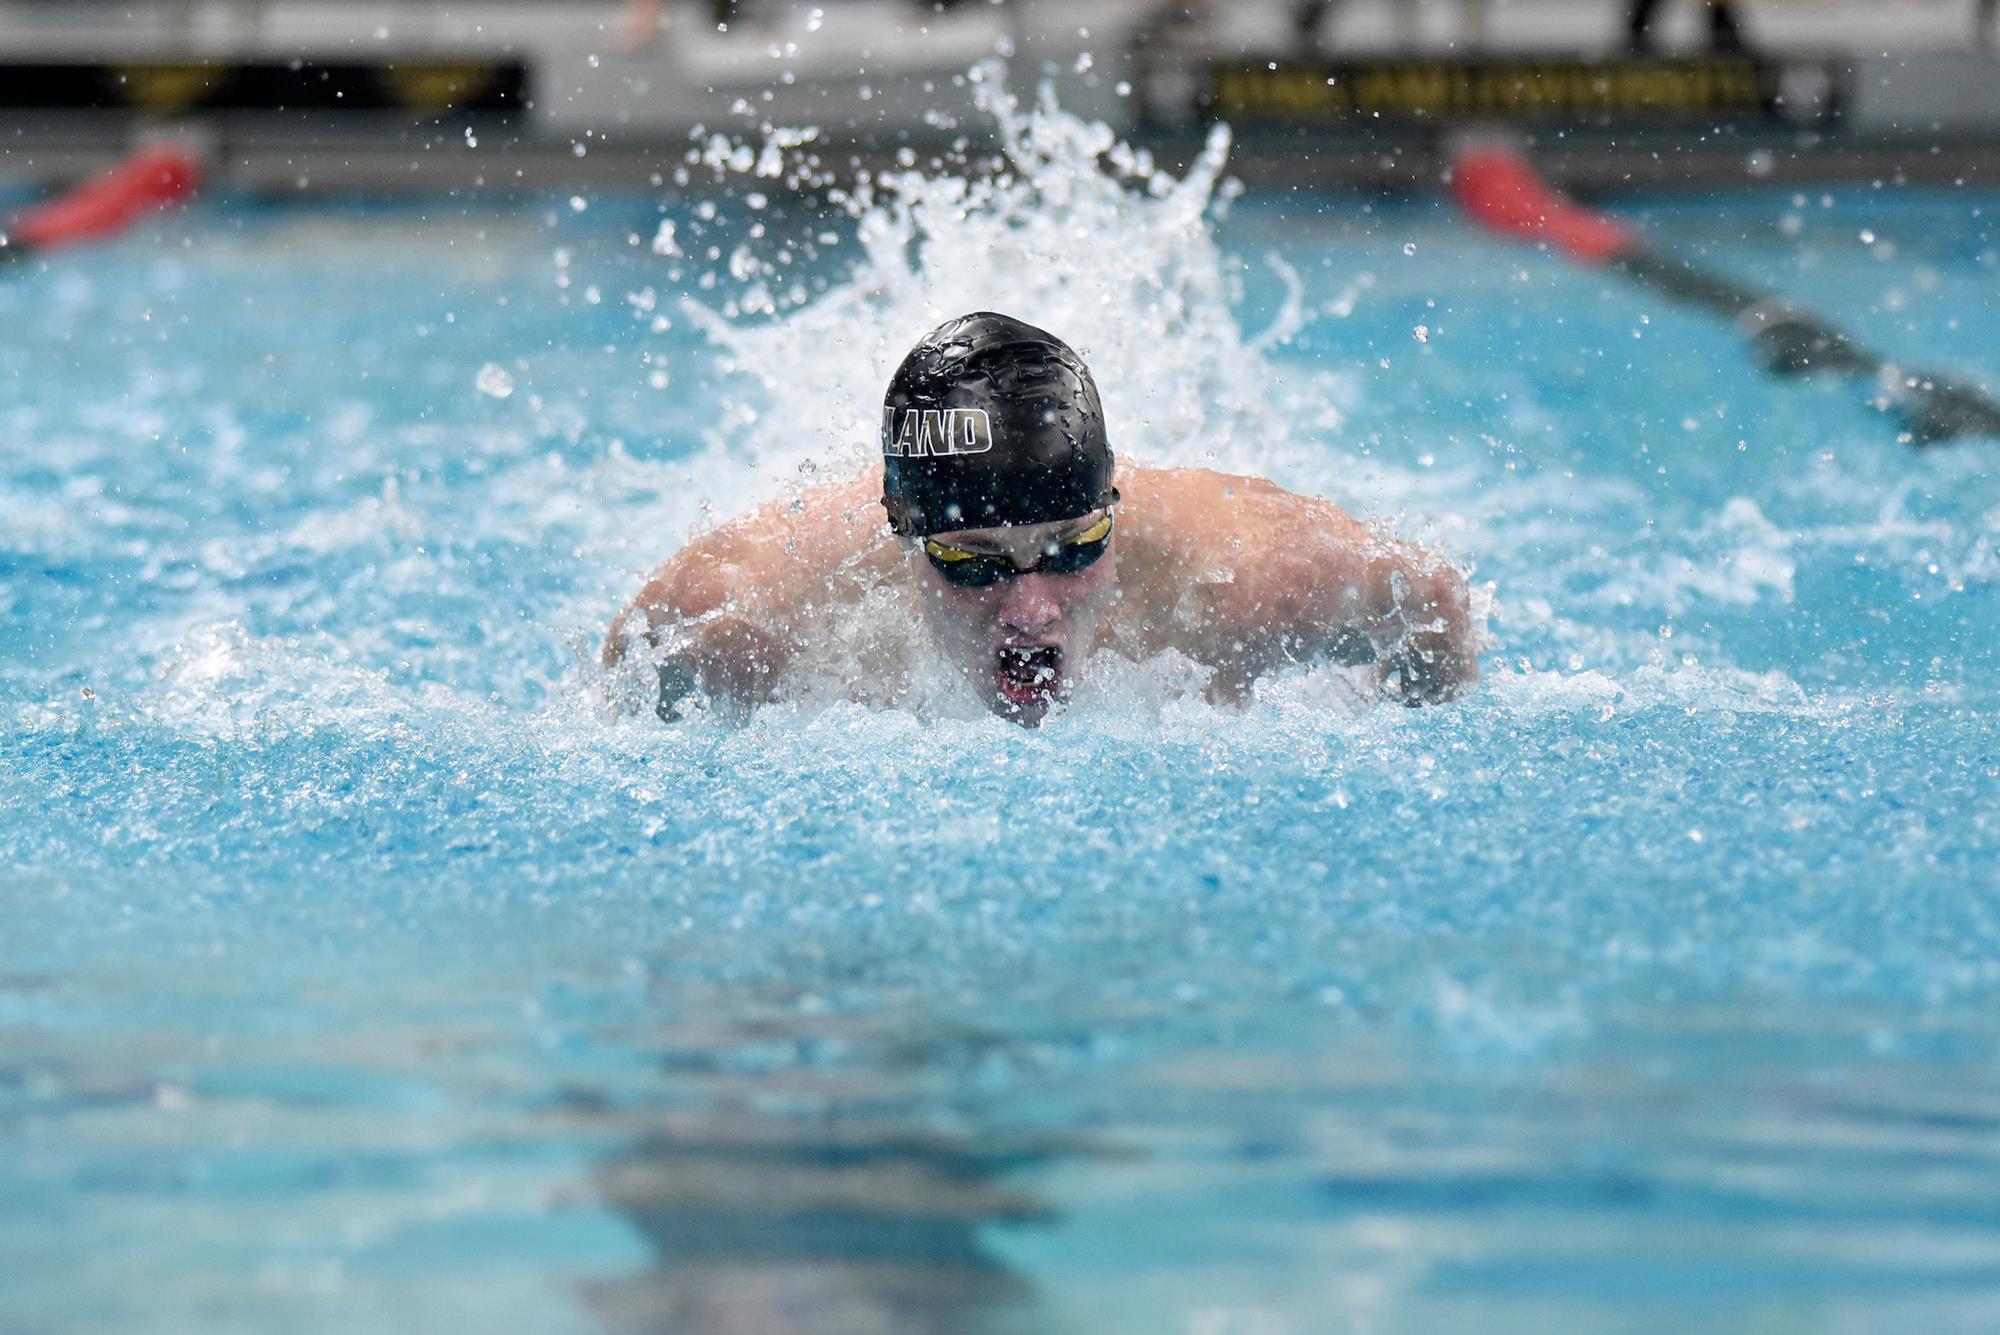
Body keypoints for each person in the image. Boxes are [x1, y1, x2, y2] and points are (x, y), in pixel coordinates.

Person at [604, 312, 1479, 724]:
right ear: (900, 537)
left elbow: (1432, 601)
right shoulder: (746, 613)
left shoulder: (1251, 584)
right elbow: (618, 689)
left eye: (1073, 549)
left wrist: (1403, 721)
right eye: (974, 563)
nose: (1030, 610)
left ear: (1111, 512)